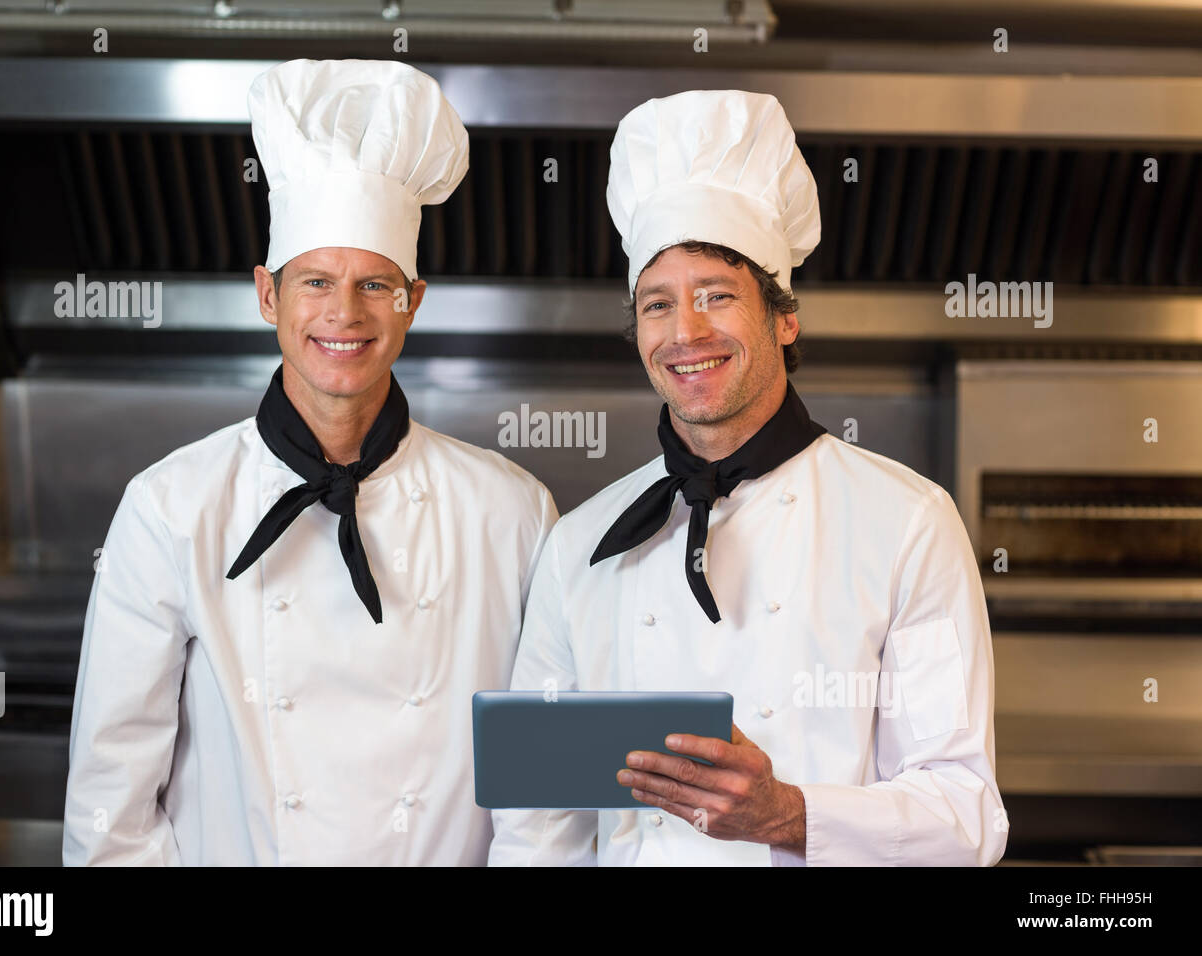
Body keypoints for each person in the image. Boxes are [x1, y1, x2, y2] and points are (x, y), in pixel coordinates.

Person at [489, 89, 1006, 866]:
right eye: (657, 305)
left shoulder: (906, 521)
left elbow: (965, 812)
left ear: (784, 317)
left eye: (716, 296)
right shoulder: (581, 542)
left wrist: (786, 815)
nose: (685, 332)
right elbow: (538, 820)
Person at [64, 59, 557, 865]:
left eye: (375, 285)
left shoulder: (511, 512)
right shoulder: (172, 505)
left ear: (414, 302)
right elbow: (110, 802)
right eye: (316, 281)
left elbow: (540, 792)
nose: (344, 313)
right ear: (268, 296)